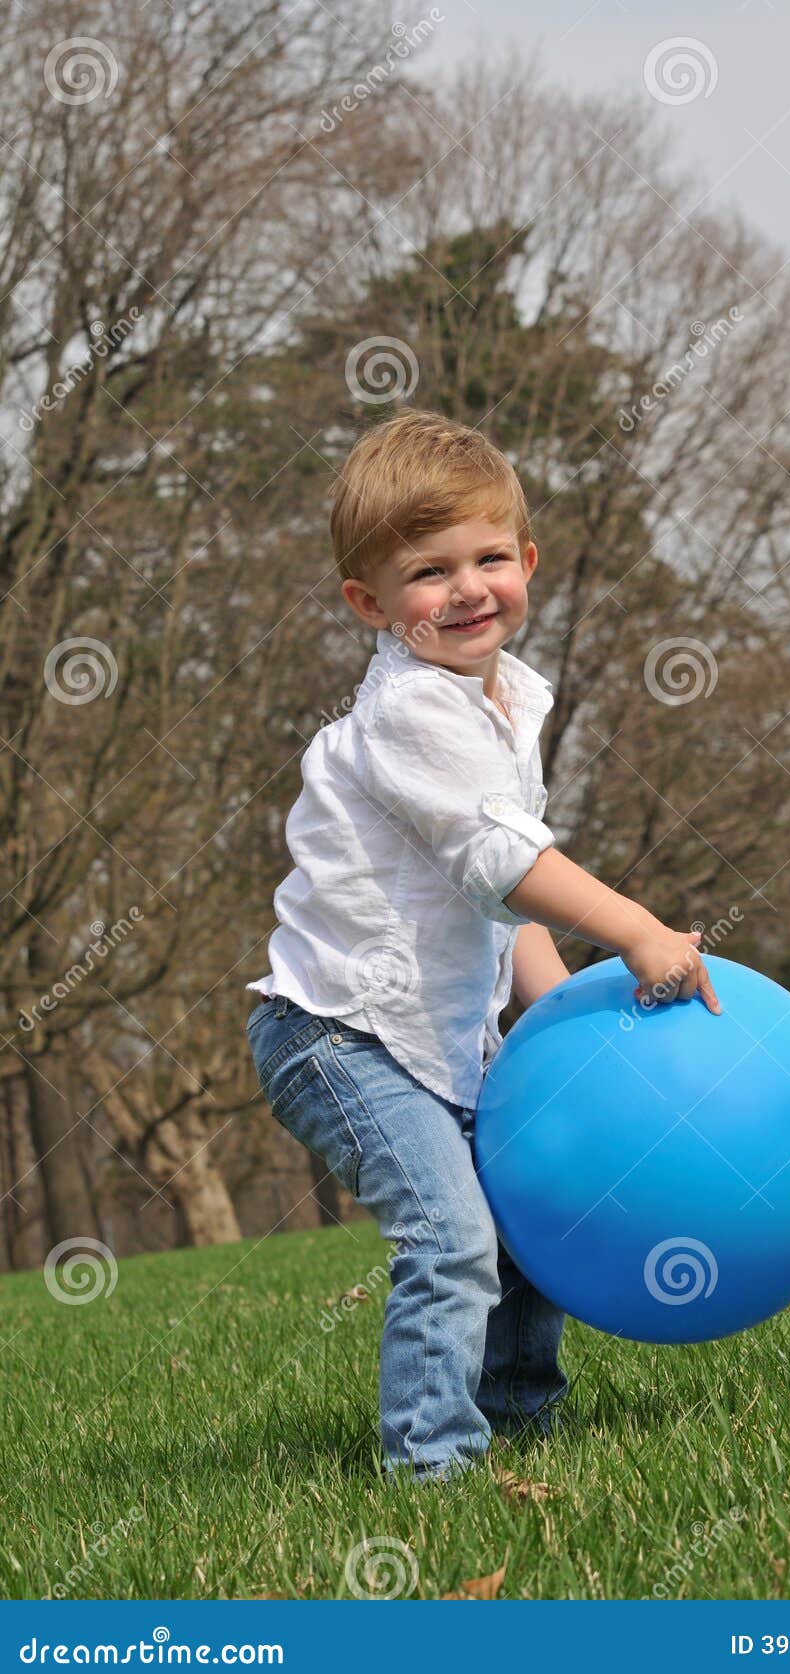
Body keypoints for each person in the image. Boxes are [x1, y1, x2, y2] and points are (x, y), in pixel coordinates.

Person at [245, 409, 720, 1484]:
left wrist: (548, 1017)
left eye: (488, 558)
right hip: (337, 1031)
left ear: (527, 562)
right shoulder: (411, 712)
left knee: (529, 1220)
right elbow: (503, 865)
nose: (466, 589)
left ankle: (517, 1415)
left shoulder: (508, 698)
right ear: (369, 603)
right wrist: (637, 930)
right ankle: (434, 1466)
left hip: (439, 1029)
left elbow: (501, 908)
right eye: (428, 571)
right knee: (453, 1236)